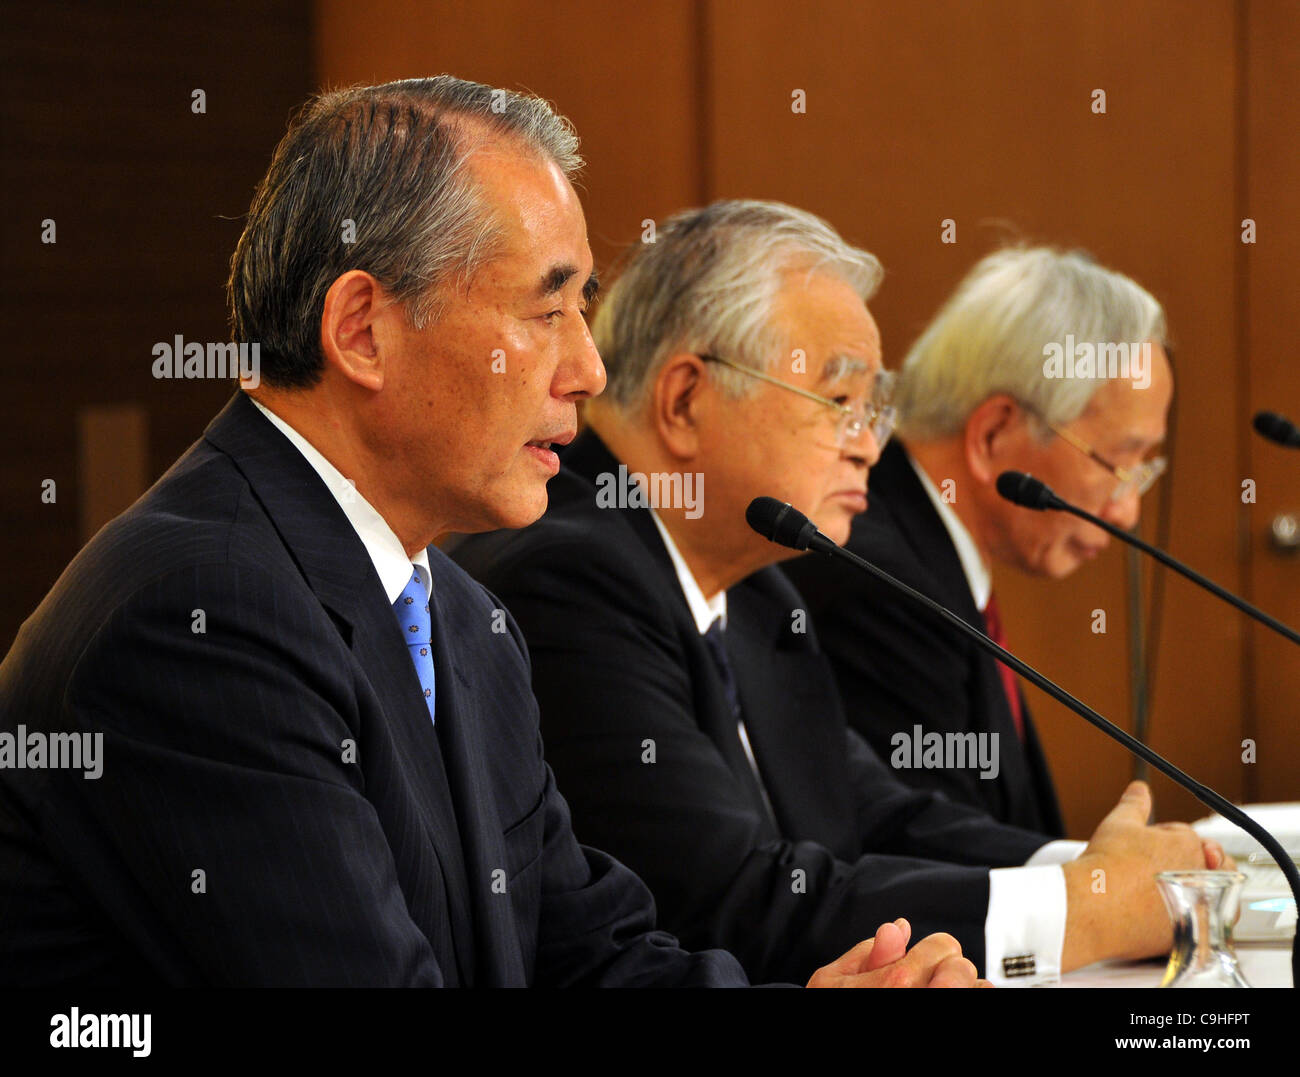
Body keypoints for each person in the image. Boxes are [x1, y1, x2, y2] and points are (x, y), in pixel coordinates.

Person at [0, 79, 979, 988]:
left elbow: (585, 949)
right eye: (546, 308)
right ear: (362, 331)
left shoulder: (462, 613)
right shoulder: (200, 614)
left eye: (583, 311)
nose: (590, 372)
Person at [451, 200, 1221, 986]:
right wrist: (1081, 909)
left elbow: (873, 809)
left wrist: (1084, 866)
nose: (872, 443)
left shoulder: (755, 587)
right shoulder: (571, 576)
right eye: (841, 401)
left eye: (876, 409)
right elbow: (727, 898)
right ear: (685, 400)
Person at [784, 247, 1173, 835]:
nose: (1127, 510)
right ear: (994, 433)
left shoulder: (925, 550)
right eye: (1119, 463)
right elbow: (925, 854)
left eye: (1146, 468)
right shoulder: (880, 583)